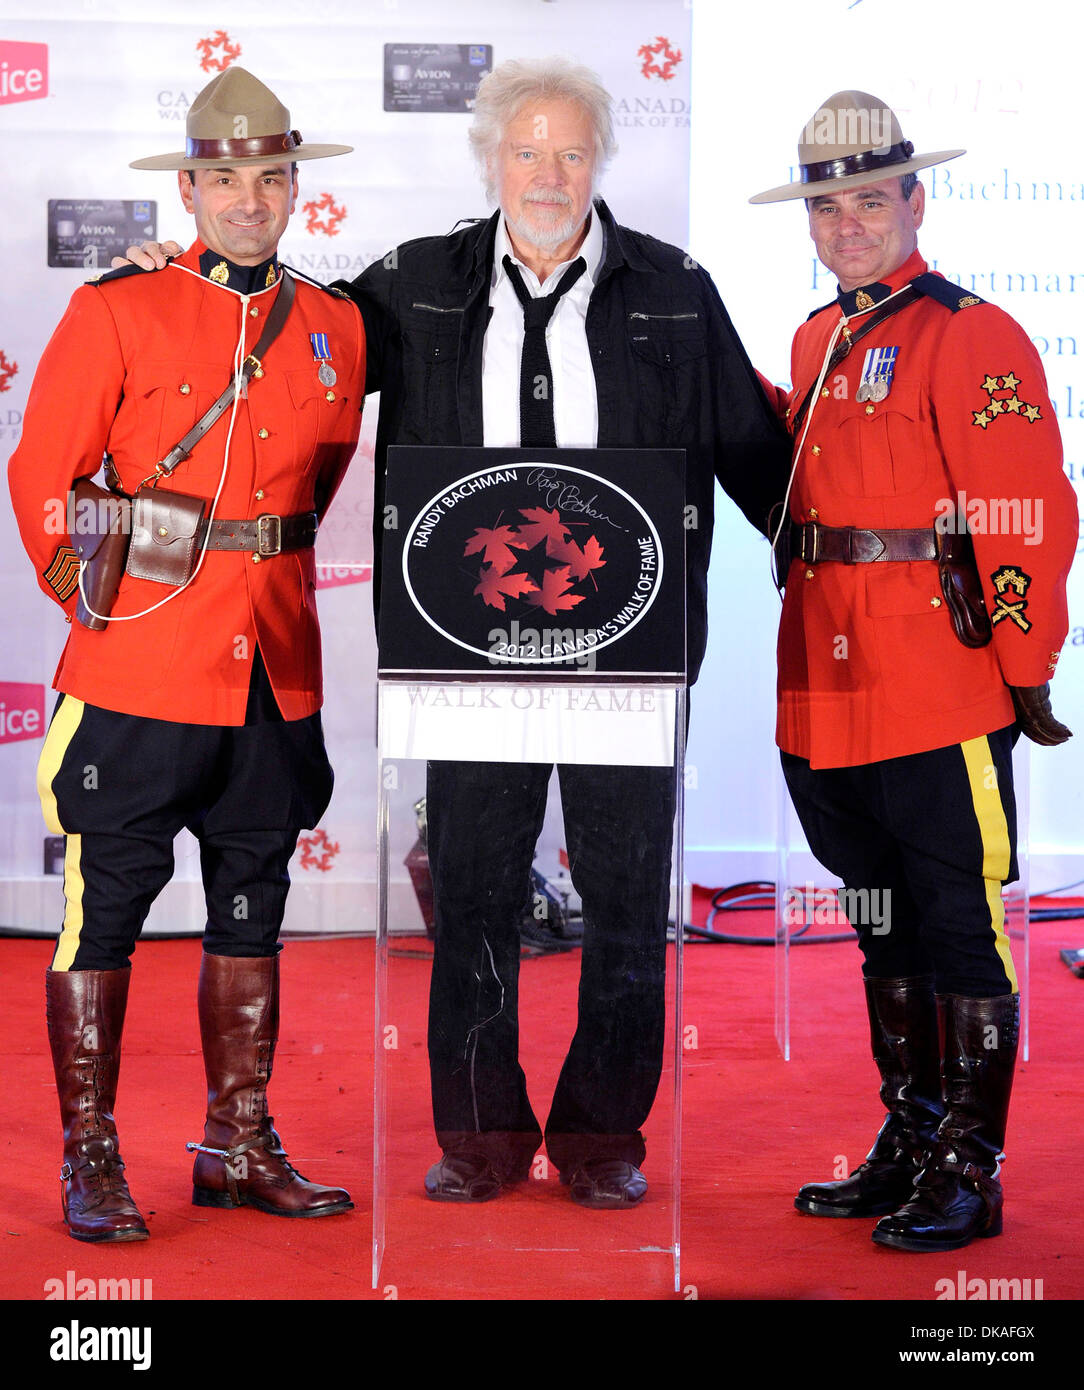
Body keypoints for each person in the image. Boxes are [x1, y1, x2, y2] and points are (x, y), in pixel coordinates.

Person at [130, 55, 790, 1209]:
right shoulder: (413, 283)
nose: (547, 172)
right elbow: (284, 341)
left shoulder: (677, 292)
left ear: (602, 163)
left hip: (627, 663)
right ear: (491, 160)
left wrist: (850, 575)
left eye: (571, 151)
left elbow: (760, 458)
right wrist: (175, 280)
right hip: (465, 660)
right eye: (526, 150)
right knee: (477, 890)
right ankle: (480, 1135)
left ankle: (601, 1138)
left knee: (628, 900)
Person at [8, 66, 365, 1242]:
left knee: (251, 904)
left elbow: (317, 483)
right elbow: (44, 474)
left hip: (274, 664)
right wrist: (90, 607)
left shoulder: (335, 325)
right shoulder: (116, 308)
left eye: (271, 178)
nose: (249, 201)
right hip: (139, 669)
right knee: (101, 911)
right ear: (194, 186)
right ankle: (93, 1156)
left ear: (296, 186)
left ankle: (238, 1140)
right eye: (225, 179)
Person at [750, 90, 1077, 1251]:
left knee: (956, 920)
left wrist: (1022, 662)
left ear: (913, 200)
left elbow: (1027, 508)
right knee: (877, 912)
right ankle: (914, 1128)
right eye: (826, 206)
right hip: (824, 678)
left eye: (869, 201)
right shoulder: (814, 338)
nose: (847, 225)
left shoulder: (966, 332)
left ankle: (971, 1170)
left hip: (935, 679)